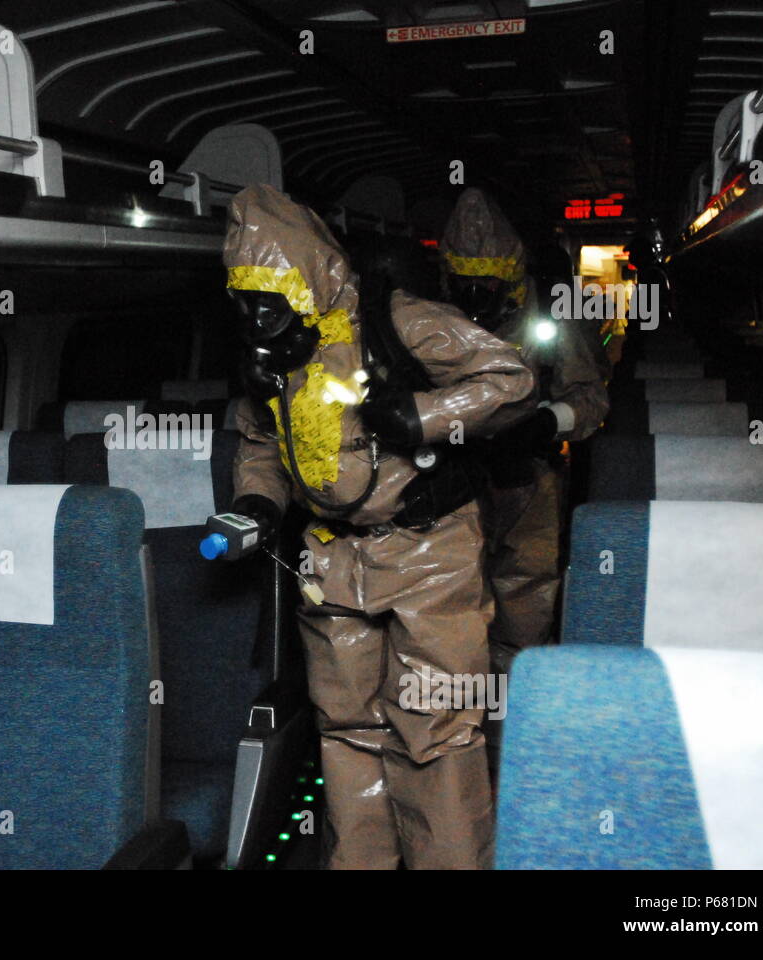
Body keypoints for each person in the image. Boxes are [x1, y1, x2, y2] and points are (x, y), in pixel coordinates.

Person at [220, 184, 534, 869]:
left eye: (272, 302)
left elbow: (512, 380)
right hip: (332, 559)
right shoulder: (271, 360)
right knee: (347, 728)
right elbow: (258, 442)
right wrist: (260, 502)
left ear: (315, 283)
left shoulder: (402, 323)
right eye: (246, 303)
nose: (258, 320)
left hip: (430, 552)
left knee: (434, 734)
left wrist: (425, 413)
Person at [439, 188, 610, 769]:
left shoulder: (551, 314)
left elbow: (590, 400)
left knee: (521, 618)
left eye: (486, 284)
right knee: (449, 627)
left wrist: (545, 422)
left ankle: (510, 754)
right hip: (448, 491)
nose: (475, 296)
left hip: (528, 485)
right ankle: (454, 754)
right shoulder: (430, 319)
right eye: (462, 282)